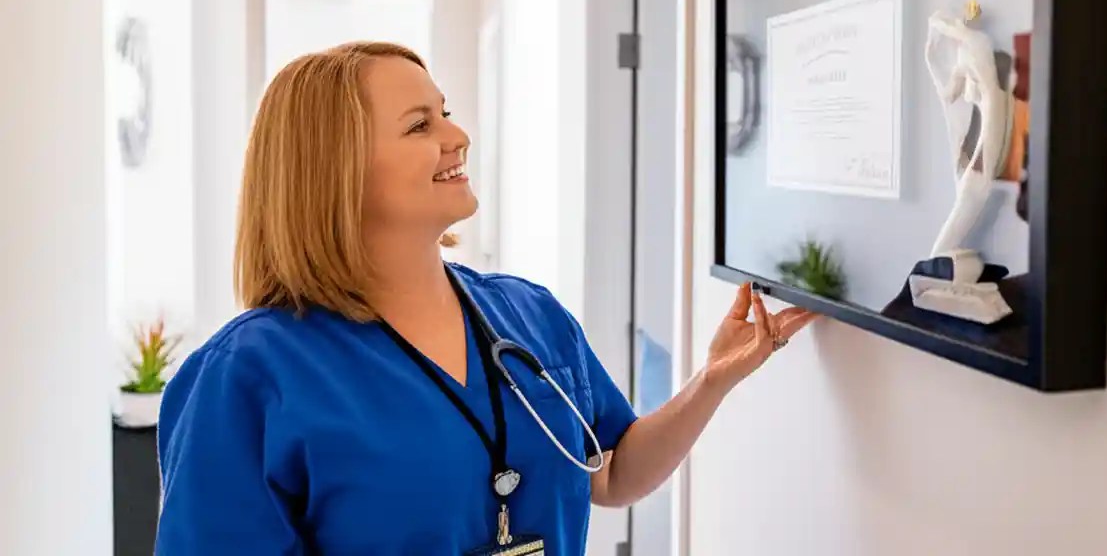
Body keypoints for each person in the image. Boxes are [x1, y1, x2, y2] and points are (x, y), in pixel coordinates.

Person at [154, 41, 817, 555]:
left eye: (445, 112)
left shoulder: (530, 316)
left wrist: (713, 380)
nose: (457, 135)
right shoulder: (247, 375)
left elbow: (612, 474)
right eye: (419, 125)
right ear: (335, 168)